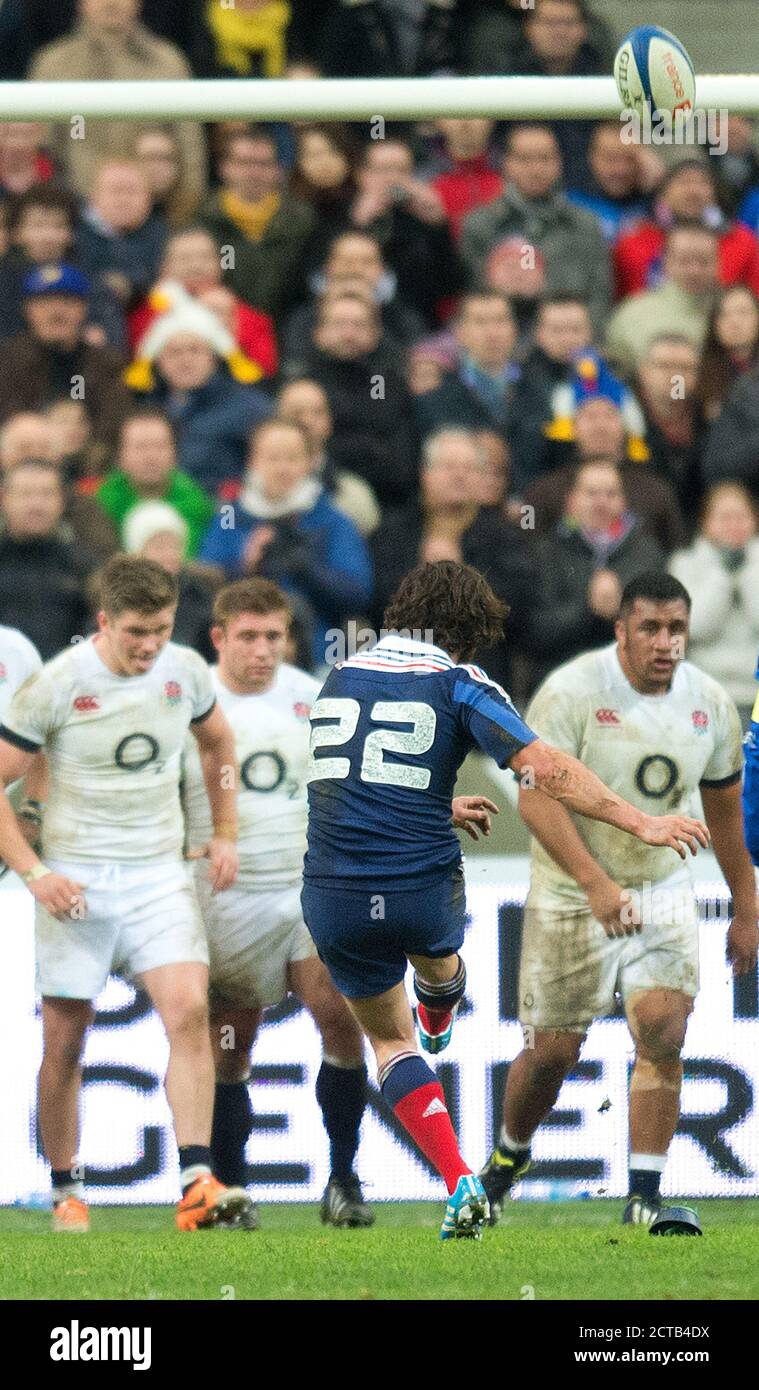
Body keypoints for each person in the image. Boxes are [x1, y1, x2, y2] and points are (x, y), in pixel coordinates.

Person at [302, 560, 710, 1239]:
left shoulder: (341, 676)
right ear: (468, 634)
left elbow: (353, 781)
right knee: (434, 961)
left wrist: (431, 803)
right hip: (416, 887)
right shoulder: (458, 681)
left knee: (388, 1041)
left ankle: (459, 1179)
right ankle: (441, 992)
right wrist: (640, 821)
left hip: (331, 891)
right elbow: (543, 769)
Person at [480, 572, 757, 1228]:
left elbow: (723, 816)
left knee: (662, 1030)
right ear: (620, 631)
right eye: (650, 629)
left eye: (676, 630)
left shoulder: (710, 702)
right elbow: (535, 797)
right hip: (570, 888)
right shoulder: (571, 691)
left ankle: (644, 1195)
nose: (665, 643)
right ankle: (505, 1162)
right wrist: (594, 884)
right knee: (551, 1054)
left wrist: (745, 907)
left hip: (660, 883)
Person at [0, 554, 256, 1232]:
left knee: (189, 1010)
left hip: (156, 874)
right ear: (105, 622)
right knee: (65, 1039)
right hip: (76, 879)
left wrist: (224, 829)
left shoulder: (185, 672)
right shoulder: (58, 684)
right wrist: (34, 872)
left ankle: (197, 1180)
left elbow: (218, 745)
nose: (149, 646)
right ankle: (67, 1191)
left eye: (162, 630)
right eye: (136, 632)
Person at [182, 577, 374, 1228]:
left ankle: (343, 1178)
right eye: (248, 637)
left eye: (274, 636)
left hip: (304, 887)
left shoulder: (316, 696)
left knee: (338, 1012)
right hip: (225, 893)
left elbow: (353, 779)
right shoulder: (190, 701)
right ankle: (232, 1191)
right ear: (219, 639)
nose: (262, 650)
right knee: (231, 1045)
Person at [200, 417, 372, 666]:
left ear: (309, 463)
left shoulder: (332, 520)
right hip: (240, 659)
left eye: (292, 458)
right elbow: (204, 584)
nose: (282, 468)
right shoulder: (230, 517)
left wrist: (308, 570)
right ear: (252, 462)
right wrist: (244, 565)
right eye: (272, 458)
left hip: (318, 657)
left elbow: (358, 594)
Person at [28, 0, 207, 211]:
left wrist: (182, 213)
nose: (111, 3)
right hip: (74, 215)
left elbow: (189, 146)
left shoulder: (168, 62)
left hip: (156, 213)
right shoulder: (53, 64)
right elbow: (41, 150)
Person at [460, 124, 611, 336]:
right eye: (525, 159)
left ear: (559, 163)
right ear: (507, 163)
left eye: (545, 159)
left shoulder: (585, 225)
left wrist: (585, 343)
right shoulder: (481, 225)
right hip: (501, 347)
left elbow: (599, 297)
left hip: (570, 347)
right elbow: (470, 295)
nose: (536, 169)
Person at [527, 459, 664, 681]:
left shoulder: (647, 553)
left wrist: (621, 608)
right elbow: (535, 631)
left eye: (611, 494)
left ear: (624, 502)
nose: (602, 502)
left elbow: (661, 629)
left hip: (631, 683)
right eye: (591, 493)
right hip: (563, 680)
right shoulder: (547, 552)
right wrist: (588, 607)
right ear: (571, 501)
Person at [0, 264, 131, 451]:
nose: (57, 312)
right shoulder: (8, 362)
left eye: (67, 302)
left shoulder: (106, 365)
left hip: (91, 466)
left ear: (83, 309)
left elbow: (114, 424)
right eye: (45, 303)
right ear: (28, 310)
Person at [669, 483, 759, 725]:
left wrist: (747, 571)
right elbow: (694, 626)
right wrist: (724, 573)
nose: (734, 525)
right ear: (706, 523)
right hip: (707, 692)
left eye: (741, 517)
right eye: (724, 518)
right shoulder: (684, 564)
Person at [0, 459, 96, 657]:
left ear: (62, 501)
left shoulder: (84, 568)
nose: (36, 504)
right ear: (4, 499)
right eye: (26, 494)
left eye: (46, 494)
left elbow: (97, 633)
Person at [96, 408, 215, 557]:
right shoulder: (100, 505)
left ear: (175, 453)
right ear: (120, 455)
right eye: (140, 447)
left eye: (160, 446)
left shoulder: (200, 505)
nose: (151, 457)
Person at [606, 223, 720, 379]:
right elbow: (615, 376)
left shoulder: (731, 313)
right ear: (666, 262)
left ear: (717, 263)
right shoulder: (633, 313)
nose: (694, 270)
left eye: (703, 261)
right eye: (685, 261)